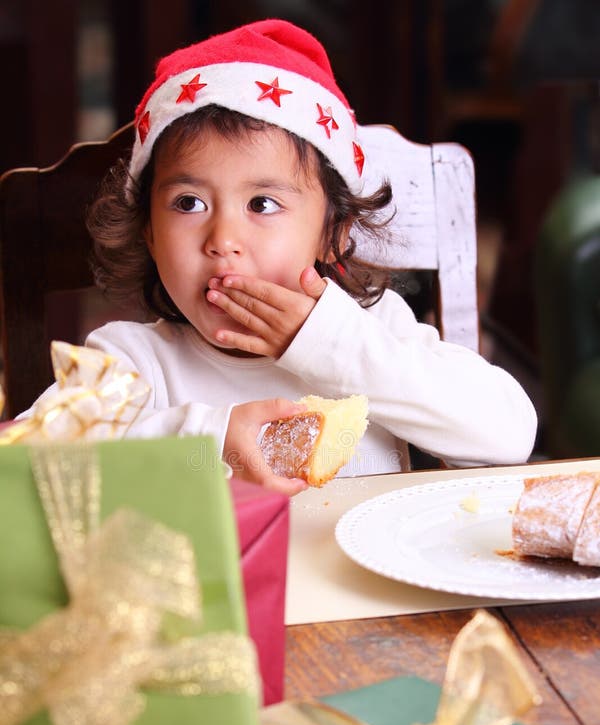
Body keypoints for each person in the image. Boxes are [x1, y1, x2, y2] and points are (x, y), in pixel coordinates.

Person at [26, 19, 537, 495]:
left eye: (263, 204)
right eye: (189, 204)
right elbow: (35, 469)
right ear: (149, 235)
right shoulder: (132, 363)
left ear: (332, 233)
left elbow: (509, 435)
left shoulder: (375, 331)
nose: (222, 238)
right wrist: (206, 445)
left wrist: (333, 348)